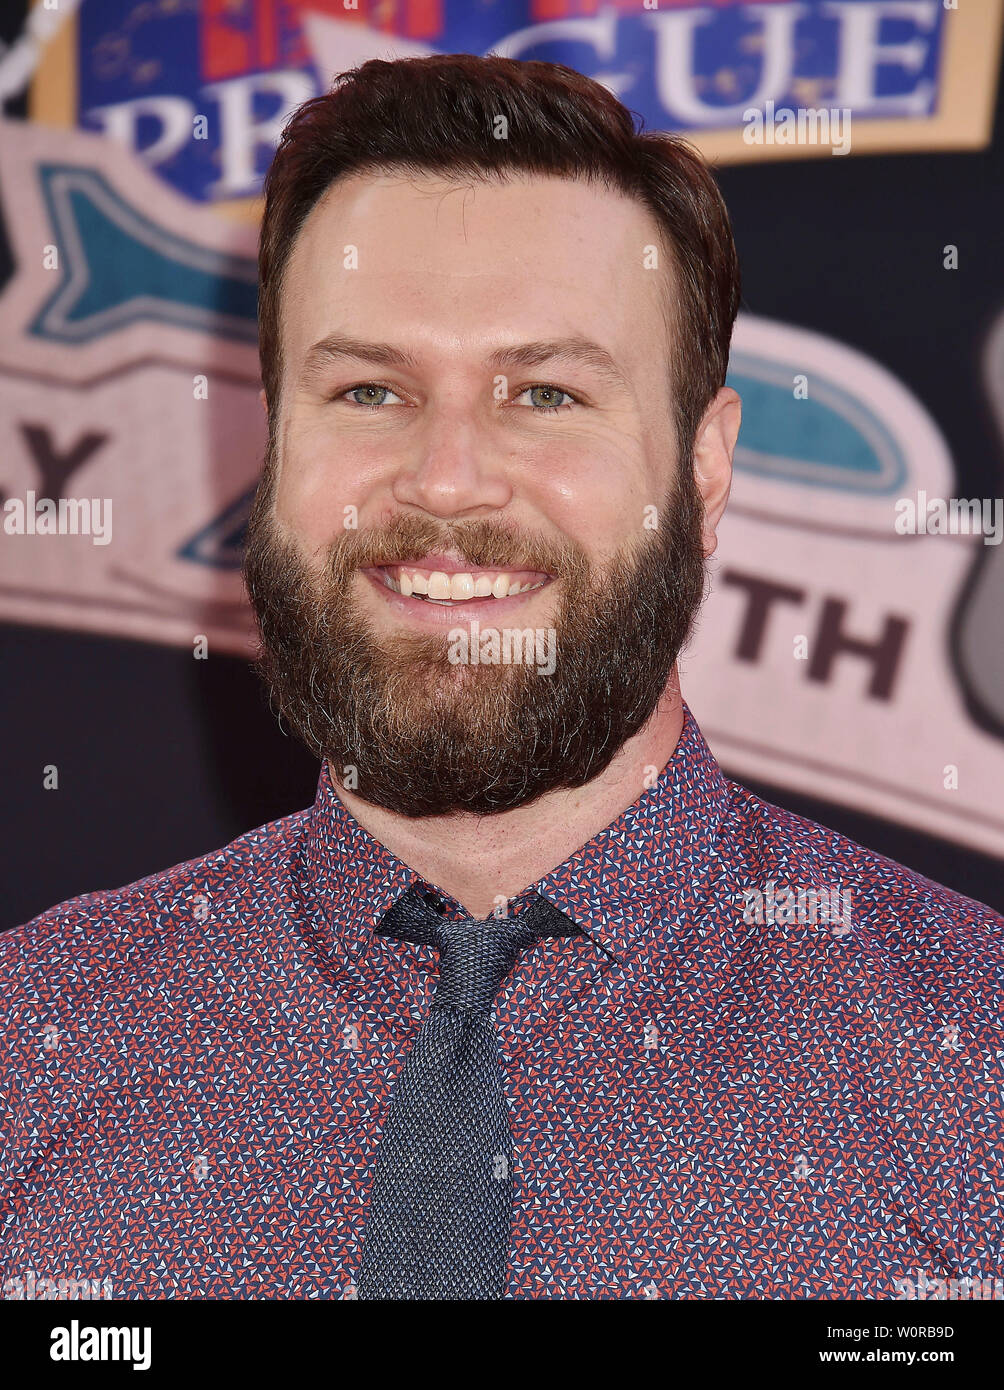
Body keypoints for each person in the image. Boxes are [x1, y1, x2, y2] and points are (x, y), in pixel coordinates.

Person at [2, 55, 1001, 1302]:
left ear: (701, 472)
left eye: (544, 393)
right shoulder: (31, 1045)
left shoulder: (974, 1064)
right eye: (369, 389)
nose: (447, 479)